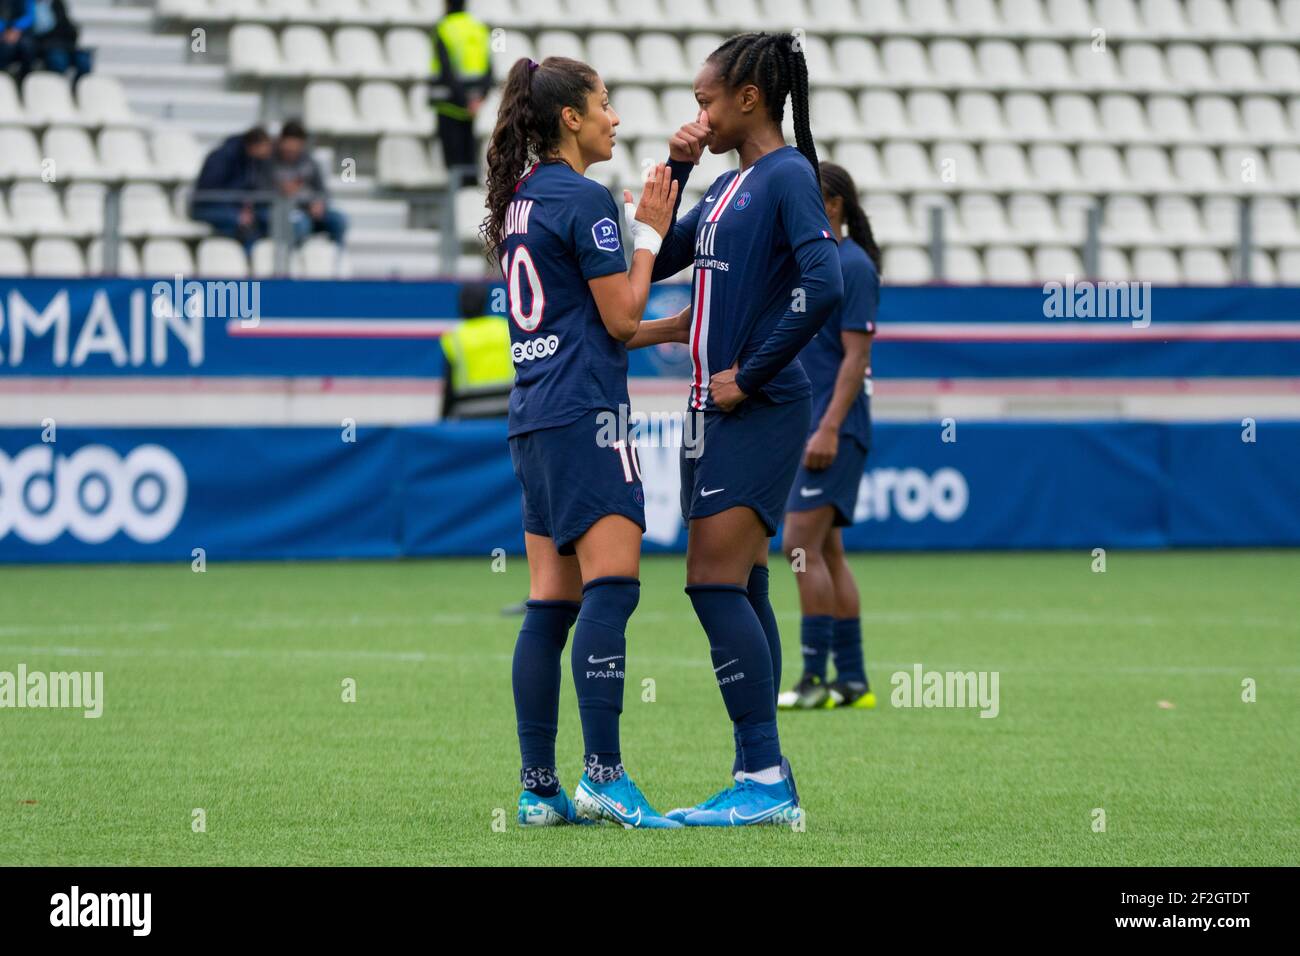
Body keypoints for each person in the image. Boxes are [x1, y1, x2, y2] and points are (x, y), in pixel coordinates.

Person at [627, 32, 843, 827]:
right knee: (745, 583)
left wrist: (750, 374)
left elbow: (822, 286)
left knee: (711, 582)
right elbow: (662, 255)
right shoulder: (726, 184)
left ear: (749, 97)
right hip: (705, 413)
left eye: (705, 101)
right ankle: (765, 770)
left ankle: (759, 776)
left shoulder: (787, 176)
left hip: (757, 406)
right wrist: (679, 172)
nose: (698, 114)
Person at [481, 56, 680, 828]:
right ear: (570, 117)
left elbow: (596, 327)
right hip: (587, 416)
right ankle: (604, 774)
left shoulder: (522, 201)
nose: (614, 118)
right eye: (605, 104)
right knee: (614, 587)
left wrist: (675, 327)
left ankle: (538, 790)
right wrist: (652, 233)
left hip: (534, 416)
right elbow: (622, 318)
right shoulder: (588, 199)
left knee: (549, 605)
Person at [777, 162, 881, 711]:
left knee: (799, 544)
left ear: (834, 205)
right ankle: (854, 679)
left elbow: (854, 360)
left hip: (833, 429)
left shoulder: (852, 266)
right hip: (814, 425)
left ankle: (815, 677)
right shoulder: (817, 263)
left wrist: (829, 428)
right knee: (828, 551)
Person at [428, 0, 491, 186]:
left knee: (454, 167)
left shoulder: (444, 28)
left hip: (448, 106)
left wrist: (463, 101)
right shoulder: (478, 28)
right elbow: (489, 71)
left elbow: (447, 72)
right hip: (473, 108)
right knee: (469, 164)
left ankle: (458, 208)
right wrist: (477, 101)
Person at [264, 119, 347, 247]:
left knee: (339, 220)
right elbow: (260, 190)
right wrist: (281, 191)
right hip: (287, 211)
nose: (290, 154)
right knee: (301, 224)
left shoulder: (309, 162)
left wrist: (319, 203)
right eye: (288, 150)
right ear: (281, 142)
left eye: (294, 150)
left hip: (311, 210)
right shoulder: (269, 162)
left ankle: (336, 259)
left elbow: (322, 190)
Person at [440, 281, 513, 420]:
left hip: (469, 415)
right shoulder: (505, 329)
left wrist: (442, 422)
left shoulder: (454, 338)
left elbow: (448, 390)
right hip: (507, 411)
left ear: (460, 303)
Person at [190, 127, 272, 250]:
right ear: (254, 146)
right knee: (245, 229)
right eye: (266, 146)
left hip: (233, 209)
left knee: (264, 221)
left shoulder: (252, 161)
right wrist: (237, 214)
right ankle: (244, 262)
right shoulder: (221, 157)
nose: (269, 151)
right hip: (207, 208)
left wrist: (245, 208)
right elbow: (209, 193)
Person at [29, 0, 91, 84]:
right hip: (47, 45)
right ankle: (58, 88)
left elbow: (66, 26)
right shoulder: (30, 5)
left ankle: (76, 88)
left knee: (83, 61)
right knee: (59, 61)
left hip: (65, 44)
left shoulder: (57, 3)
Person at [0, 0, 34, 78]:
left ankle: (25, 78)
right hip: (3, 33)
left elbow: (29, 17)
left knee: (27, 46)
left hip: (21, 33)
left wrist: (16, 28)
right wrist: (3, 31)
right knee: (7, 48)